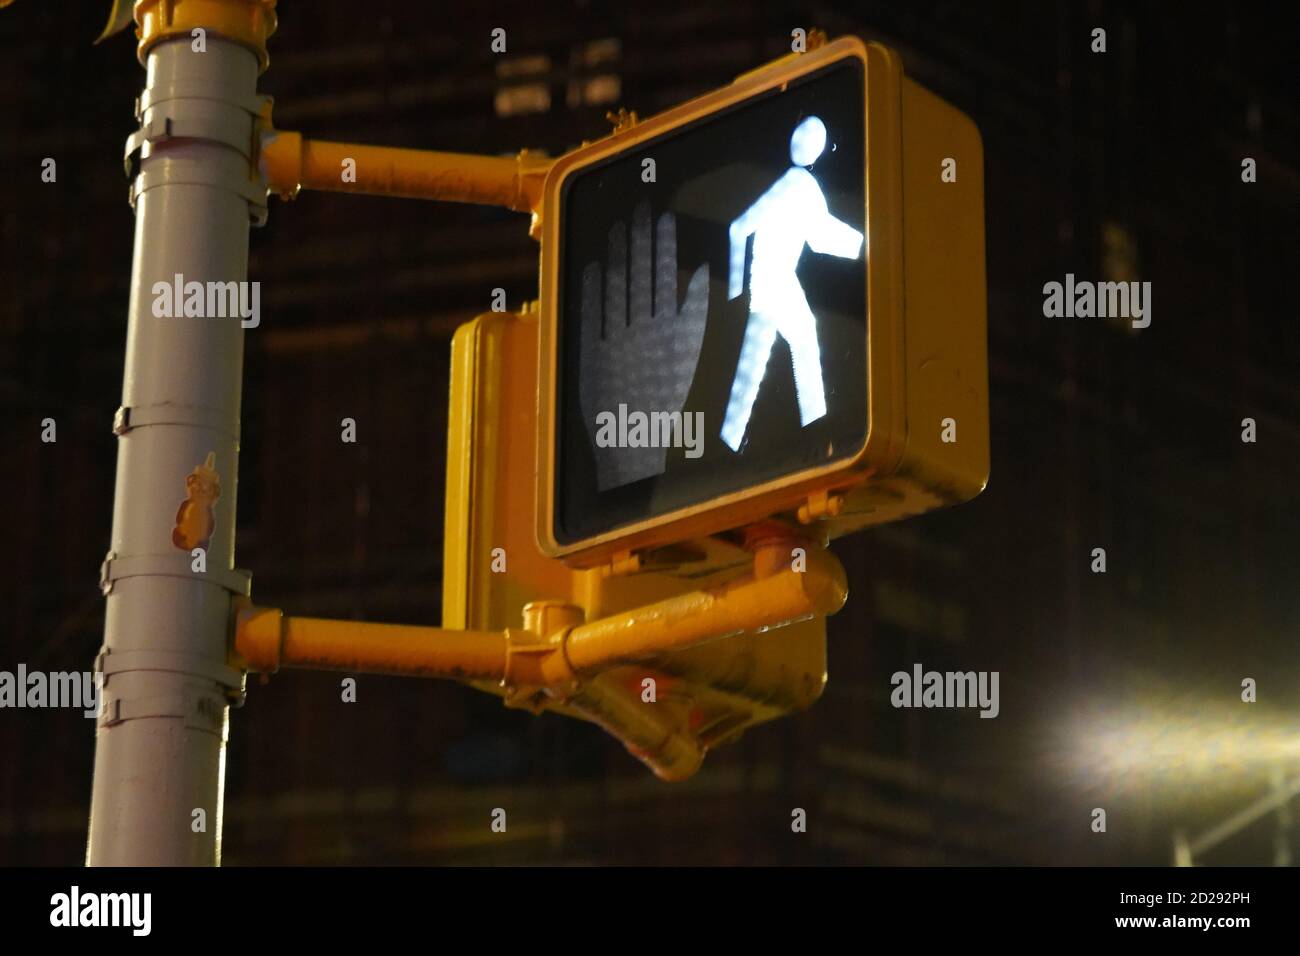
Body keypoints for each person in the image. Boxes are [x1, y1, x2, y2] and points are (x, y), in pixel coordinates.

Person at [721, 116, 864, 452]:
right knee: (801, 343)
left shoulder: (789, 183)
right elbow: (820, 236)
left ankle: (731, 438)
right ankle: (817, 430)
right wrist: (865, 244)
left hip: (766, 284)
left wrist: (737, 291)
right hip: (777, 283)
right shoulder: (799, 185)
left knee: (755, 364)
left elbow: (739, 228)